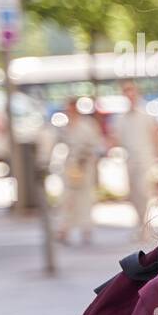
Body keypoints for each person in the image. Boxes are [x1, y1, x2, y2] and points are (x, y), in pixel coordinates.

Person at [116, 80, 158, 238]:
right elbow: (117, 139)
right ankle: (141, 224)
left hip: (145, 158)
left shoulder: (146, 114)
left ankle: (145, 227)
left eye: (131, 90)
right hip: (130, 160)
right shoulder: (121, 118)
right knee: (134, 194)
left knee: (145, 192)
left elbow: (156, 135)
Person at [57, 99, 104, 245]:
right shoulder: (66, 127)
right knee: (68, 199)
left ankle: (86, 228)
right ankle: (64, 228)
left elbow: (95, 145)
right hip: (70, 166)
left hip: (85, 167)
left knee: (84, 198)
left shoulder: (87, 126)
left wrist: (84, 160)